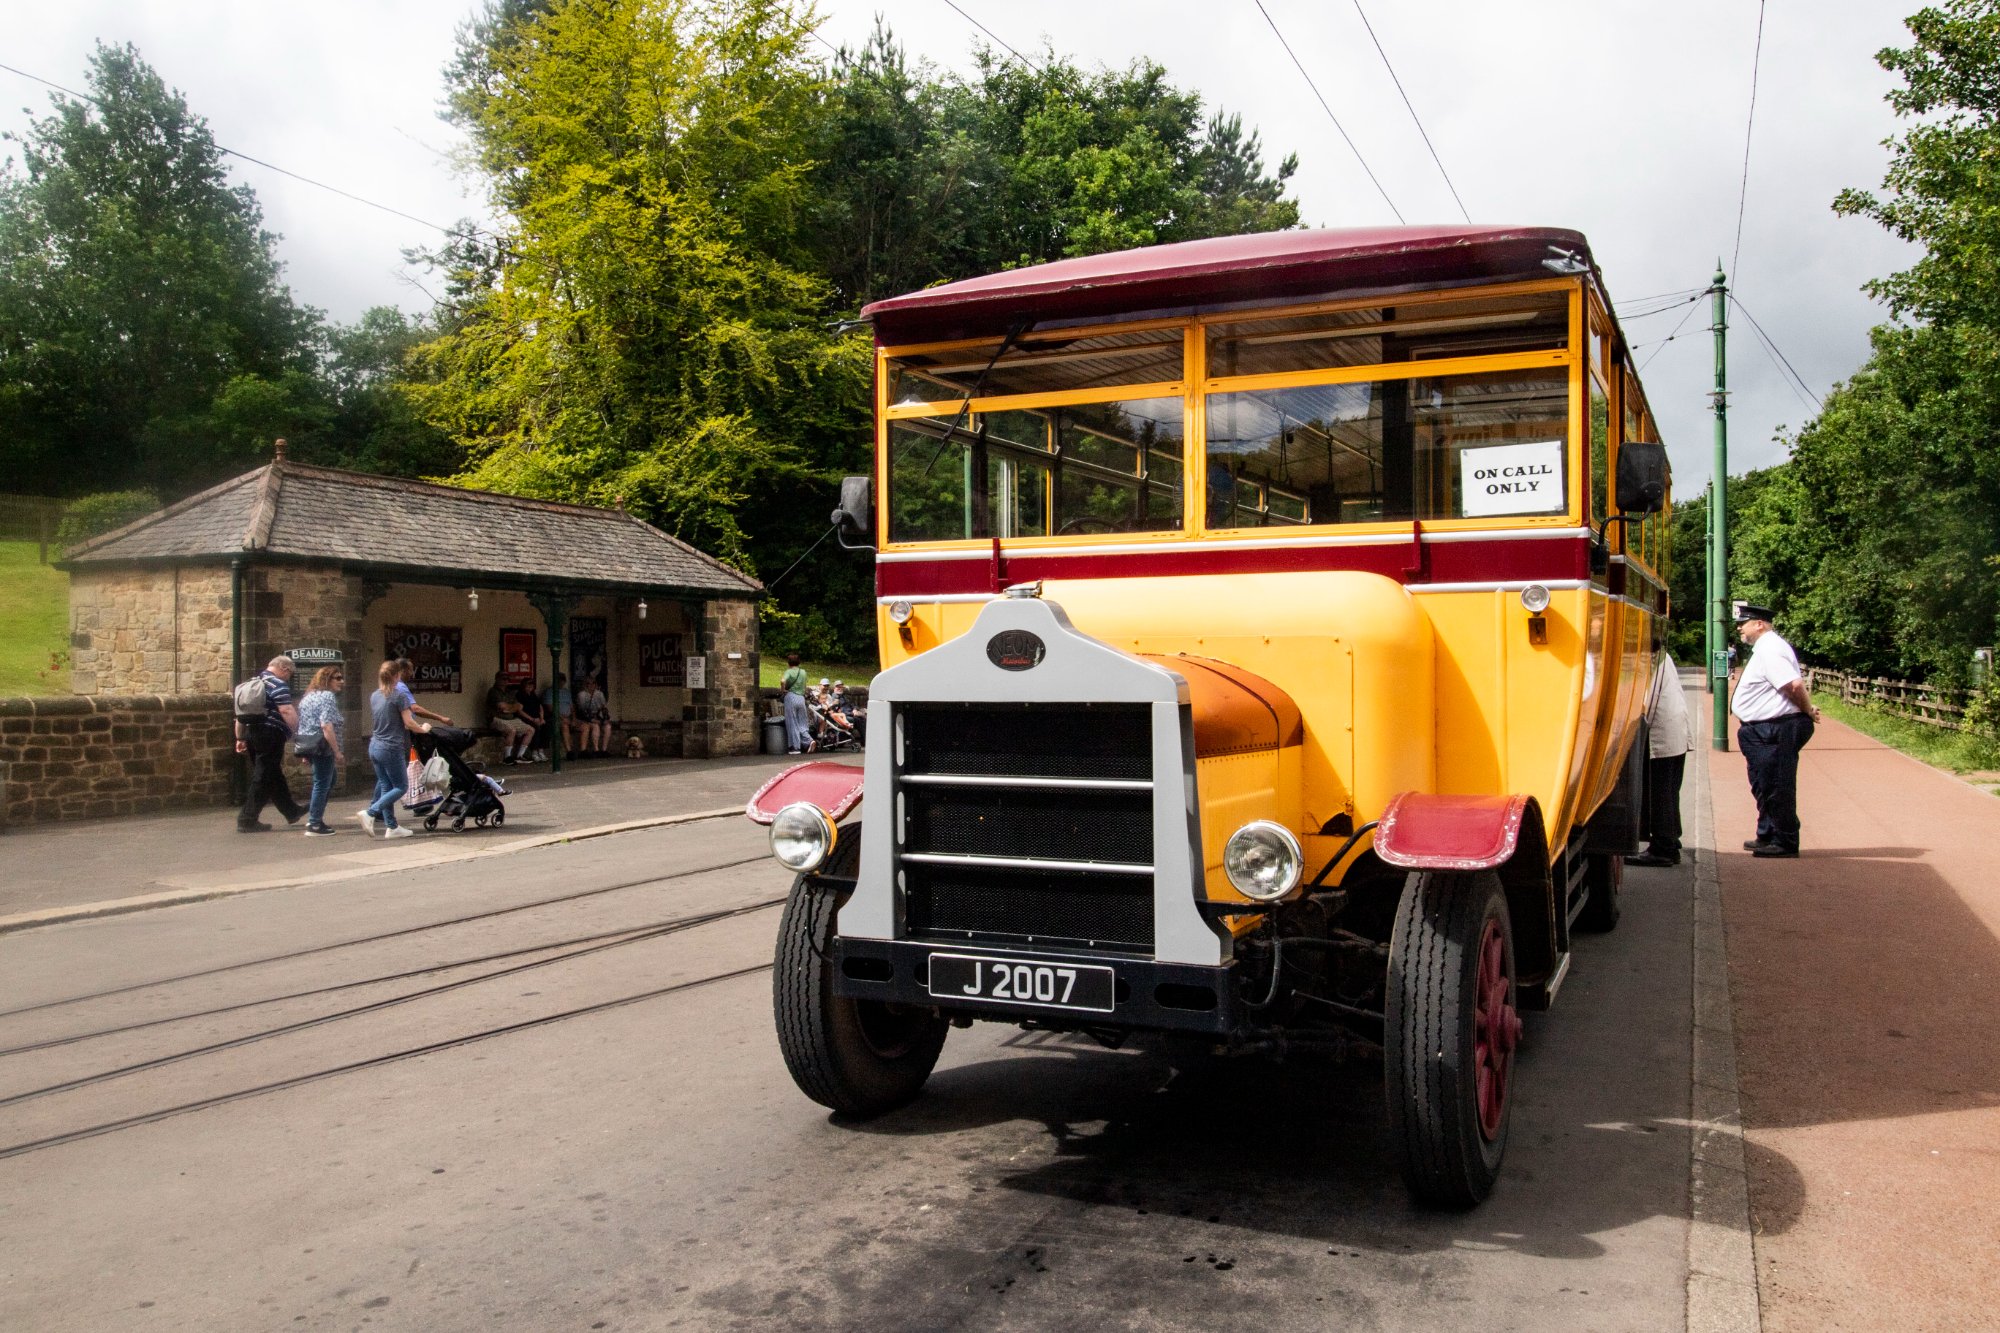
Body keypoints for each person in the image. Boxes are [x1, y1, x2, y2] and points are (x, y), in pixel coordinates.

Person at [1730, 603, 1820, 858]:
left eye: (1744, 623)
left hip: (1774, 728)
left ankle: (1785, 840)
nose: (1739, 628)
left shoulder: (1771, 649)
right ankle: (1768, 833)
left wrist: (1807, 709)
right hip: (1764, 729)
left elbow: (1792, 685)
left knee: (1776, 785)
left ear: (1759, 624)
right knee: (1763, 783)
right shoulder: (1766, 648)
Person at [1628, 651, 1693, 867]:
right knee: (1669, 790)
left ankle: (1663, 848)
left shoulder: (1651, 659)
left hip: (1661, 734)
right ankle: (1670, 840)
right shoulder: (1662, 656)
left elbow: (1645, 700)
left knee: (1660, 792)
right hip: (1673, 729)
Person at [235, 654, 304, 832]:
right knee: (263, 775)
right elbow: (286, 710)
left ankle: (291, 811)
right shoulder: (278, 684)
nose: (288, 678)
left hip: (252, 732)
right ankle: (247, 819)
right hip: (270, 733)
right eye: (290, 675)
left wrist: (240, 738)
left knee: (273, 773)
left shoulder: (252, 682)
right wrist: (299, 733)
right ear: (285, 669)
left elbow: (240, 714)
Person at [360, 659, 427, 838]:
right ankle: (371, 812)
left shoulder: (375, 695)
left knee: (386, 785)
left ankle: (392, 826)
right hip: (391, 747)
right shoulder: (399, 696)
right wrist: (423, 729)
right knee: (401, 786)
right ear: (397, 675)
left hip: (375, 745)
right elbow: (408, 722)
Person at [293, 665, 347, 837]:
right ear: (326, 680)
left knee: (328, 781)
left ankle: (315, 816)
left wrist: (305, 753)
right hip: (323, 747)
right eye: (337, 678)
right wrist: (337, 751)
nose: (341, 681)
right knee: (322, 784)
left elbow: (304, 725)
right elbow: (326, 725)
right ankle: (315, 823)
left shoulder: (307, 697)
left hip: (311, 746)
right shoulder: (327, 697)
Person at [486, 673, 534, 764]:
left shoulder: (509, 692)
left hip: (511, 718)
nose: (506, 681)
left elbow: (519, 706)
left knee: (530, 730)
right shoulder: (493, 691)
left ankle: (520, 756)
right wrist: (511, 708)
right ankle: (507, 757)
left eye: (507, 679)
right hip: (497, 718)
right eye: (503, 679)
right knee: (511, 730)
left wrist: (509, 708)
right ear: (497, 679)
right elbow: (501, 706)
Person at [393, 658, 453, 728]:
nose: (412, 673)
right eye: (410, 670)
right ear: (402, 671)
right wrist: (441, 718)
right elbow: (415, 709)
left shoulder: (390, 685)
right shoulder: (400, 687)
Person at [780, 653, 810, 755]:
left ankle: (795, 748)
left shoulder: (789, 671)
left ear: (789, 663)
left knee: (792, 723)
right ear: (799, 662)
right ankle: (809, 741)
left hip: (791, 697)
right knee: (802, 723)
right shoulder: (803, 672)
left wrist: (783, 690)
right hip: (801, 698)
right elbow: (805, 686)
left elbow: (783, 680)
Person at [514, 675, 550, 762]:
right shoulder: (520, 695)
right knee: (535, 728)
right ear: (524, 686)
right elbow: (520, 711)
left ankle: (541, 750)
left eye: (532, 685)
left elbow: (540, 707)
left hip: (537, 718)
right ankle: (534, 751)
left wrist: (541, 718)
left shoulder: (533, 695)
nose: (530, 687)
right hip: (526, 718)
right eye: (528, 685)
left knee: (546, 726)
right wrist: (532, 719)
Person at [574, 674, 611, 756]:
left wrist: (605, 718)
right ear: (585, 685)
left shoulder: (599, 694)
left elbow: (604, 708)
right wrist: (592, 720)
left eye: (593, 683)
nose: (591, 685)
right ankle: (596, 750)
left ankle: (604, 750)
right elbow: (581, 711)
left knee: (608, 727)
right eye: (588, 683)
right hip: (585, 718)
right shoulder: (582, 695)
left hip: (597, 716)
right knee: (596, 726)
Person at [547, 671, 577, 755]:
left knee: (586, 726)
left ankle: (584, 751)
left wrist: (574, 719)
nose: (561, 683)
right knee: (565, 726)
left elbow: (572, 707)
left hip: (569, 717)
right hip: (557, 718)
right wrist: (562, 717)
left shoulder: (566, 692)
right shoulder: (549, 692)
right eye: (559, 681)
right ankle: (569, 751)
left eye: (562, 681)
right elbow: (550, 708)